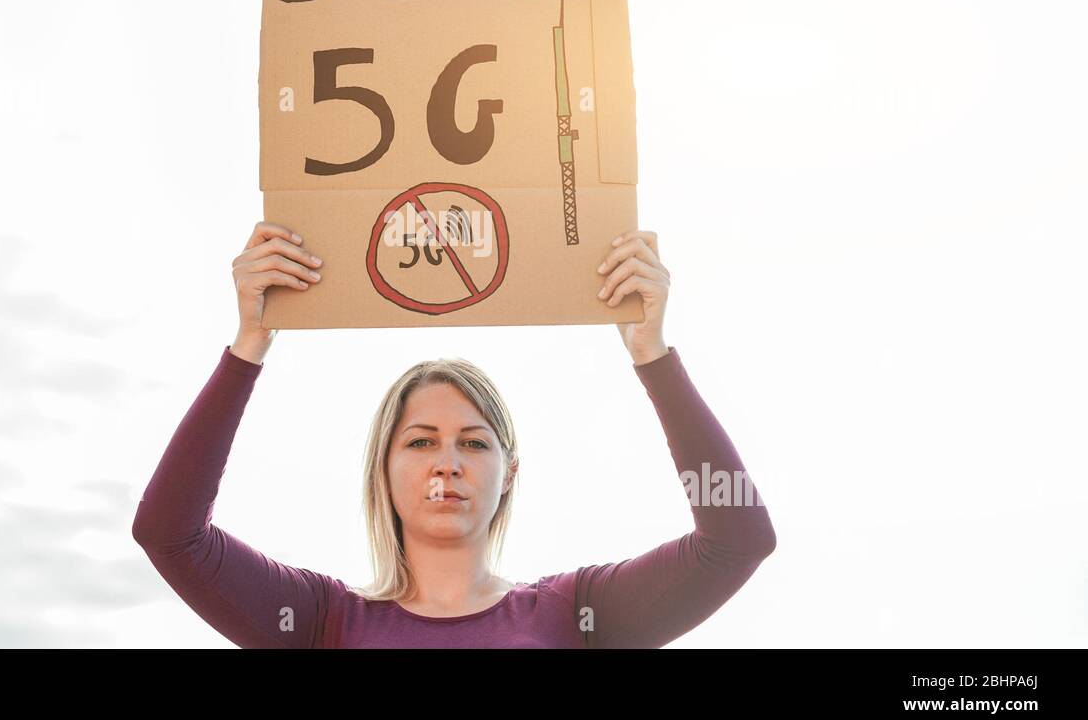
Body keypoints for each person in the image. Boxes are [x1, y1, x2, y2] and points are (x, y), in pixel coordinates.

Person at [131, 221, 776, 648]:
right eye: (419, 441)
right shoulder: (321, 622)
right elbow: (167, 531)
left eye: (473, 442)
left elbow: (738, 539)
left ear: (509, 472)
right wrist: (249, 347)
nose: (447, 462)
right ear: (381, 470)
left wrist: (652, 358)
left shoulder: (573, 616)